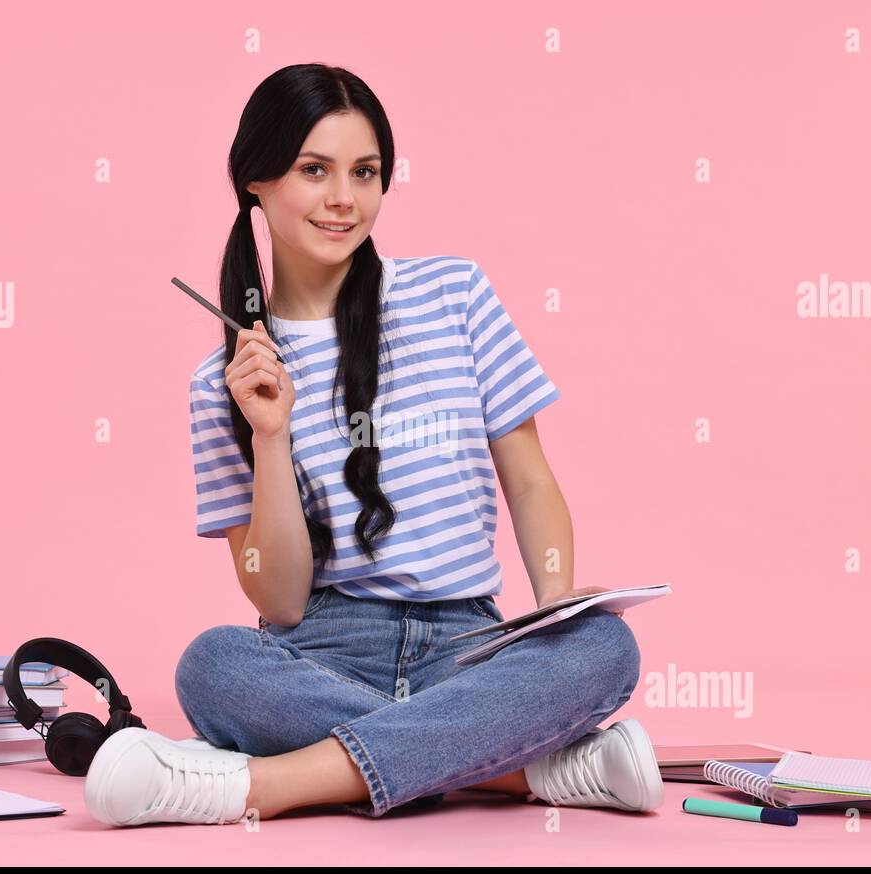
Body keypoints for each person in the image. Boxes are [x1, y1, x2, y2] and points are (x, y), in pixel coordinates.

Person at [83, 63, 664, 826]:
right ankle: (523, 767)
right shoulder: (221, 381)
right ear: (255, 180)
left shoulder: (454, 294)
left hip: (472, 642)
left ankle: (252, 786)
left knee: (603, 647)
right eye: (313, 170)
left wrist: (554, 604)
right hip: (323, 647)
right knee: (213, 665)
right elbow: (279, 599)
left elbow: (529, 479)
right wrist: (270, 433)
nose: (344, 199)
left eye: (366, 172)